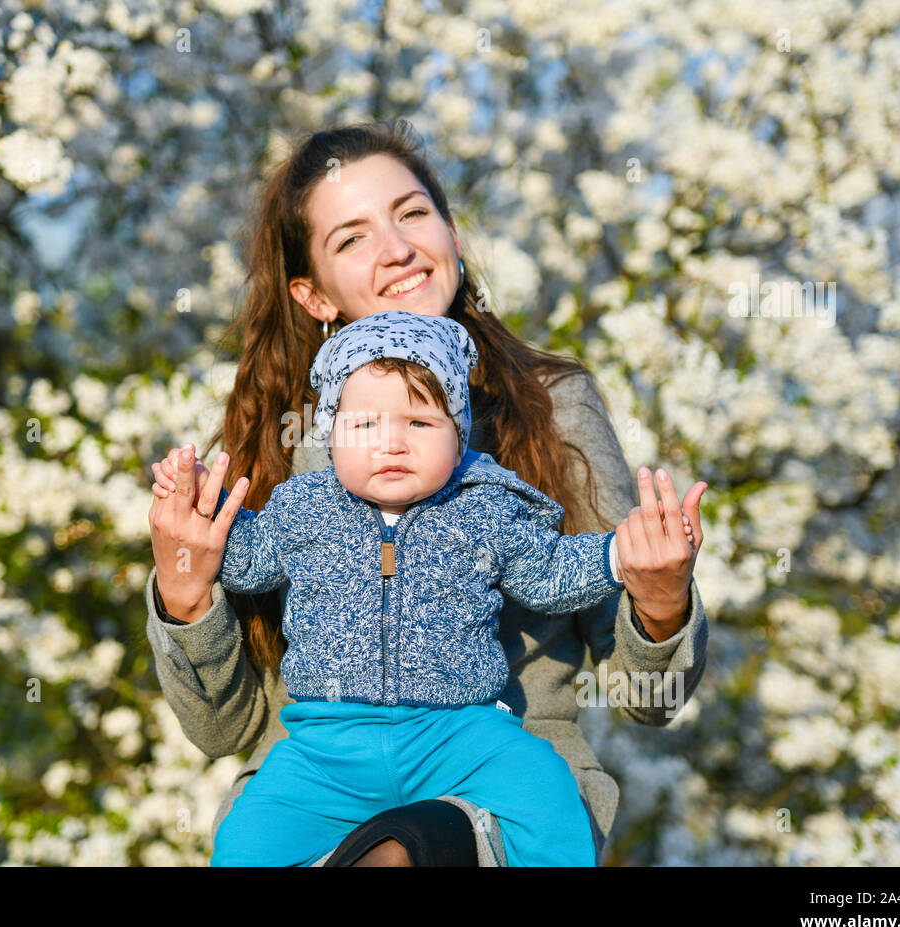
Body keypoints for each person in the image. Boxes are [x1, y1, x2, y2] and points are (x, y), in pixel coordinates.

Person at [146, 120, 709, 866]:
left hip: (482, 777)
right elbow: (225, 731)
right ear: (313, 295)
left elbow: (647, 698)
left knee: (404, 854)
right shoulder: (280, 445)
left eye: (411, 213)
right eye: (351, 238)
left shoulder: (552, 406)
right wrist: (185, 595)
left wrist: (658, 595)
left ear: (450, 229)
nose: (397, 249)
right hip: (322, 775)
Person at [204, 311, 644, 866]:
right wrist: (208, 507)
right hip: (328, 748)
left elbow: (550, 572)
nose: (392, 443)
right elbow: (245, 563)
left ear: (458, 438)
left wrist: (623, 553)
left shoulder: (484, 507)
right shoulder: (304, 506)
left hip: (459, 735)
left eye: (419, 424)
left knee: (546, 791)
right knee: (245, 842)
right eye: (364, 426)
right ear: (332, 436)